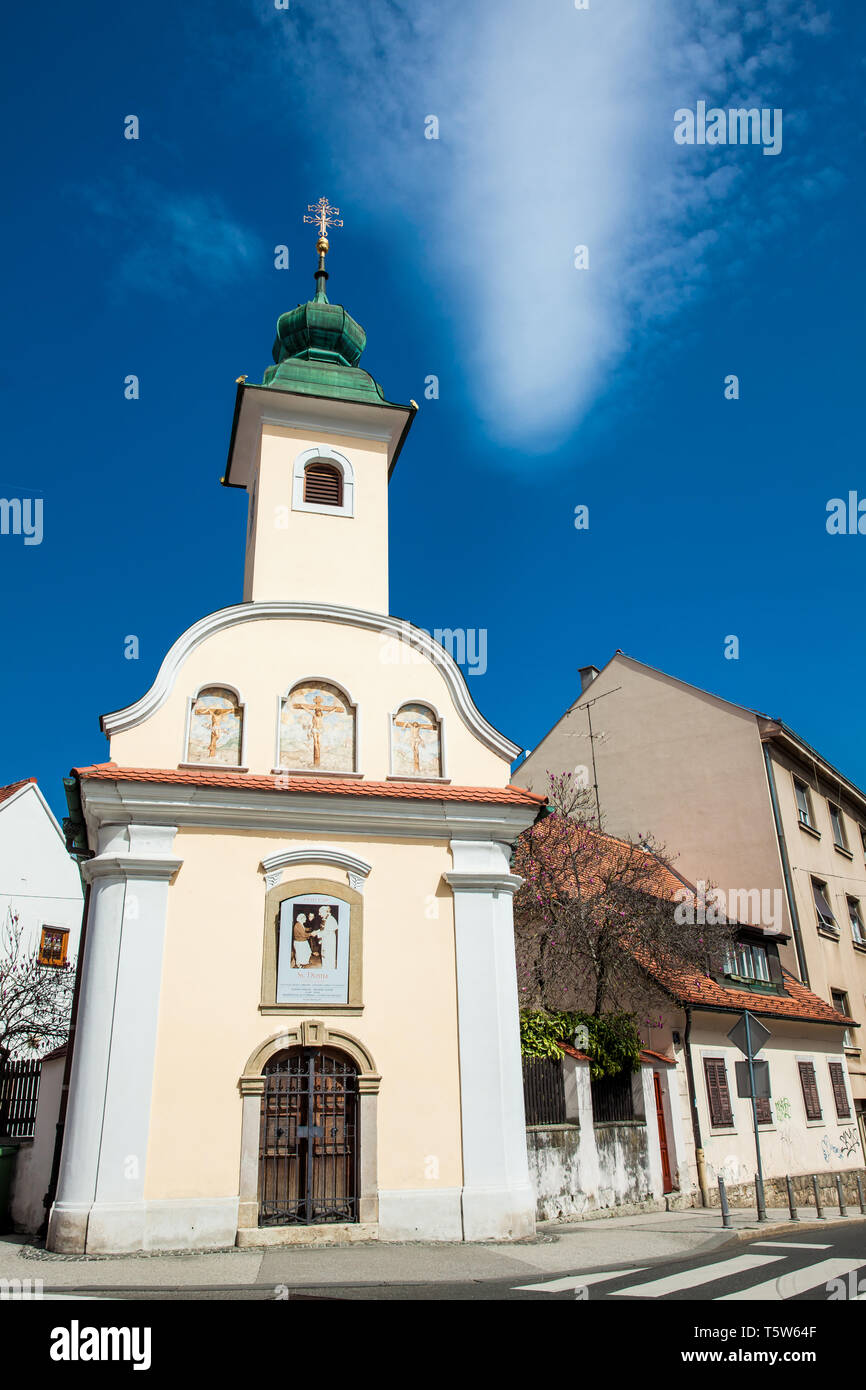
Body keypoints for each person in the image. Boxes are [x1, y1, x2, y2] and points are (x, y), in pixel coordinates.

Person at [318, 904, 338, 971]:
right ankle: (325, 968)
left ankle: (329, 970)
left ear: (325, 912)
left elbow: (327, 931)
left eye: (320, 912)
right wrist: (317, 932)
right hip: (325, 939)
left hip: (329, 940)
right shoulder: (325, 919)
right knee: (324, 954)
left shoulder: (331, 919)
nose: (319, 914)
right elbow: (322, 929)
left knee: (329, 955)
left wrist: (317, 934)